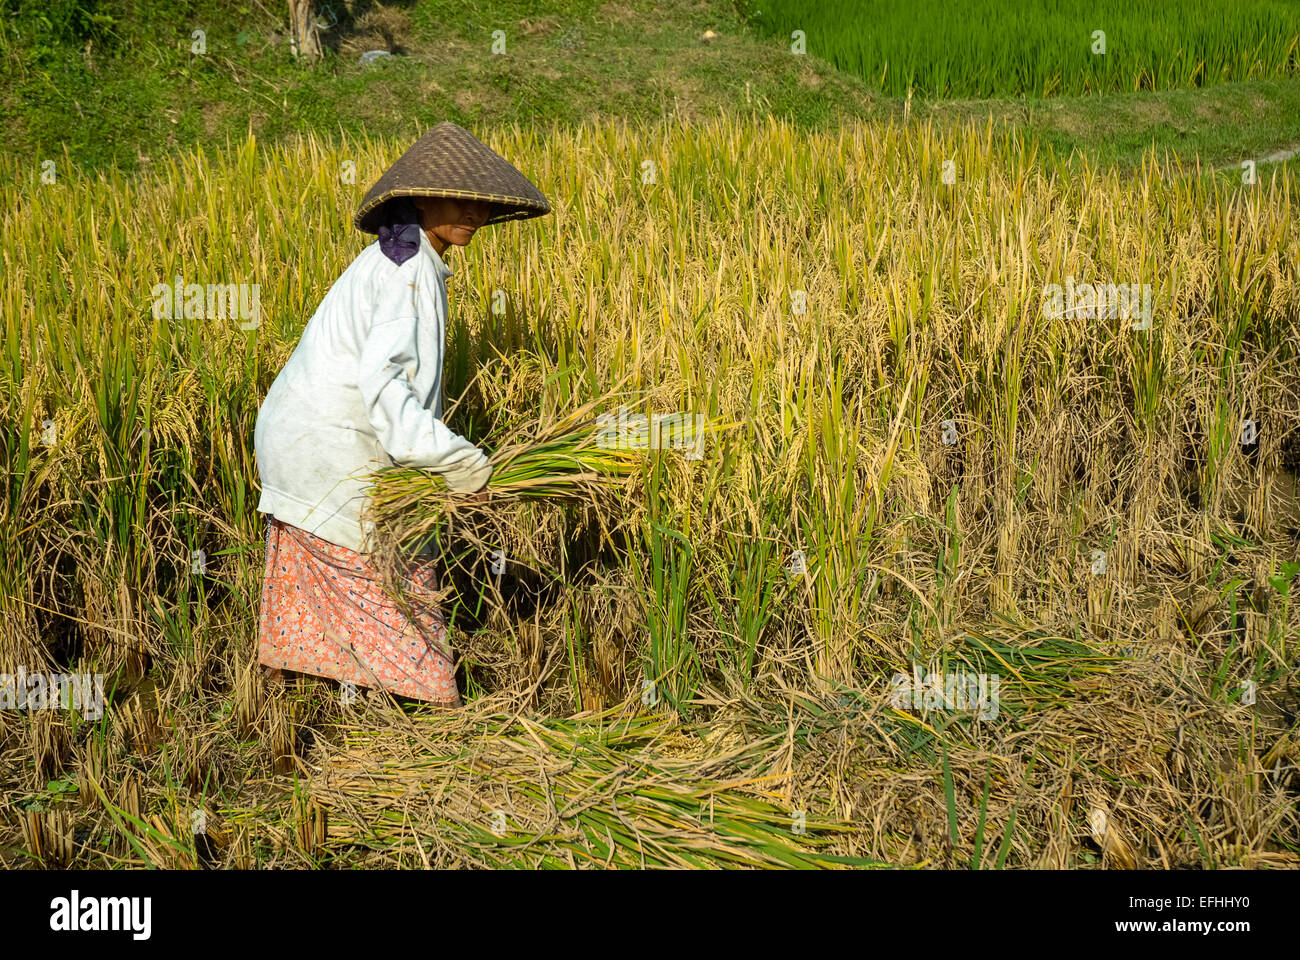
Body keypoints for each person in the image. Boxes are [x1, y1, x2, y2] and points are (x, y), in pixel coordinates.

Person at [253, 121, 551, 705]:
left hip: (305, 437)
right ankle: (433, 712)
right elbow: (389, 393)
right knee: (402, 596)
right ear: (420, 198)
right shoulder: (407, 268)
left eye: (482, 203)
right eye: (457, 198)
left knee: (330, 580)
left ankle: (292, 704)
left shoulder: (410, 255)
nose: (472, 213)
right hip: (329, 448)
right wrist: (464, 464)